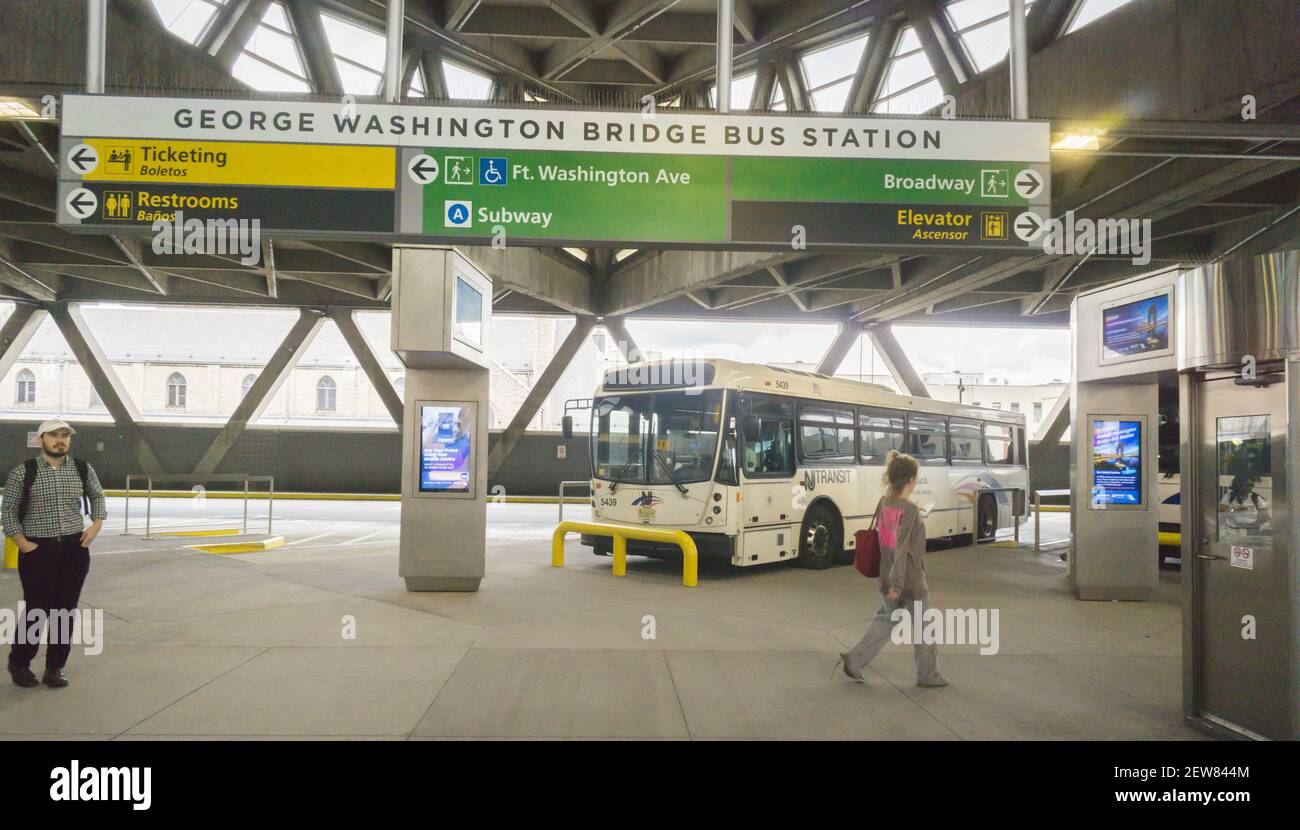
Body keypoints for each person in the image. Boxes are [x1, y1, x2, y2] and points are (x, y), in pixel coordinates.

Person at [2, 419, 107, 688]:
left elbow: (97, 495)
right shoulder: (23, 472)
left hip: (74, 548)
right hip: (38, 549)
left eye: (65, 435)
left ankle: (55, 667)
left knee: (65, 610)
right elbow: (8, 511)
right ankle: (20, 662)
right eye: (54, 435)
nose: (60, 440)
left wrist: (95, 526)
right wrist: (24, 544)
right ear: (42, 440)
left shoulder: (83, 469)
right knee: (37, 609)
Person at [836, 451, 948, 688]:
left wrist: (891, 582)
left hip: (888, 575)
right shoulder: (908, 510)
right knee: (924, 626)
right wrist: (898, 585)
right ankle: (928, 675)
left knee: (886, 619)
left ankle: (855, 659)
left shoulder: (885, 504)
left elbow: (886, 543)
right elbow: (900, 547)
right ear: (910, 480)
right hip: (909, 579)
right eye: (915, 478)